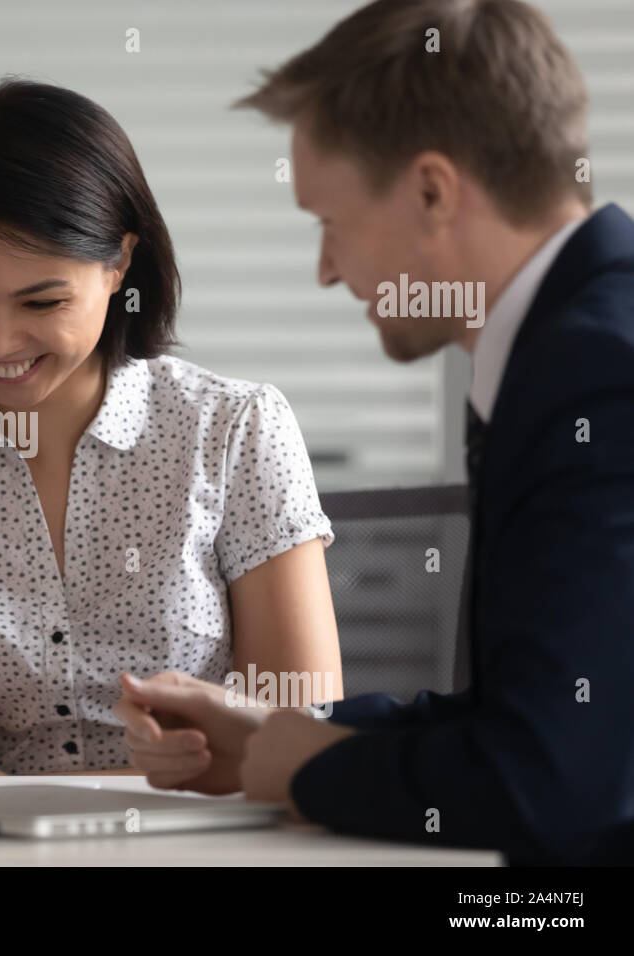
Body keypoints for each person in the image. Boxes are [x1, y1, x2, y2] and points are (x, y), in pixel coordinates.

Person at [116, 0, 634, 865]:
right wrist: (291, 732)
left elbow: (550, 785)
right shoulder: (568, 344)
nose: (326, 271)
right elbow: (540, 712)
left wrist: (310, 769)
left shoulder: (597, 374)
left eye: (331, 222)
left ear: (432, 191)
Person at [0, 79, 342, 776]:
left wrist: (0, 788)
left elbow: (303, 742)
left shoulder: (236, 431)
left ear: (119, 264)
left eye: (42, 300)